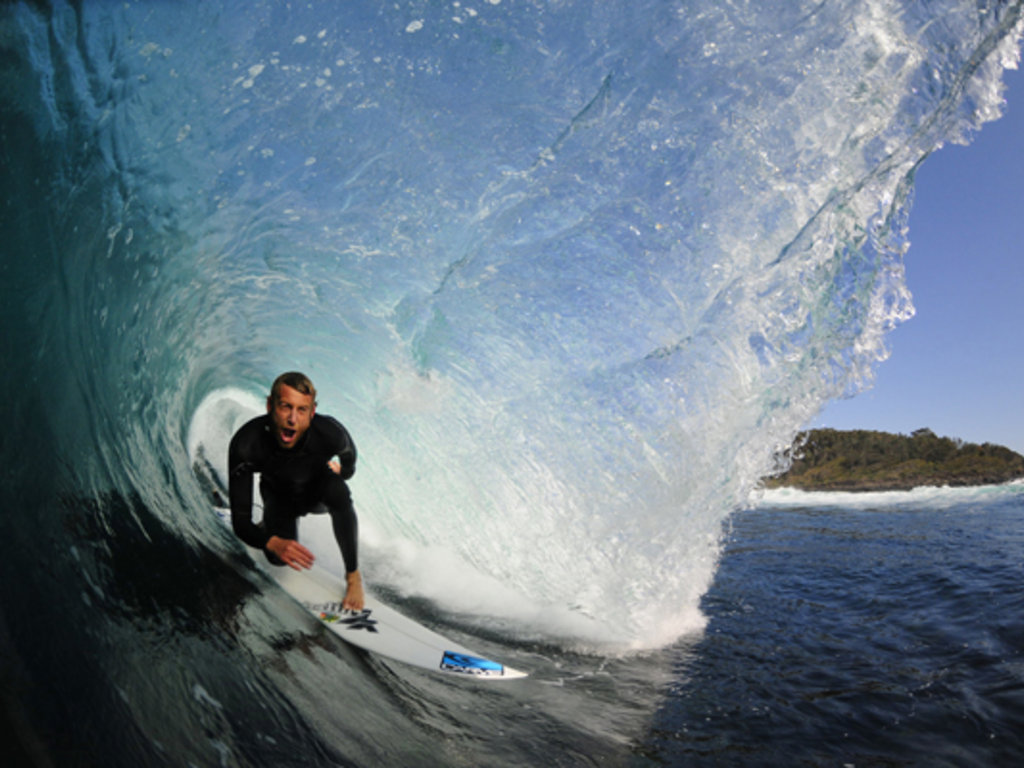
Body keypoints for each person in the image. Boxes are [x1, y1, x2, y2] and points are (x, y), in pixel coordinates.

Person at [227, 371, 364, 611]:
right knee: (277, 559)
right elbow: (240, 522)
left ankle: (353, 576)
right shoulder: (248, 444)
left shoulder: (330, 433)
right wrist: (271, 542)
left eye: (302, 410)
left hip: (317, 494)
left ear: (312, 412)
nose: (292, 418)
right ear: (270, 405)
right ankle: (267, 527)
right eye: (285, 407)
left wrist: (343, 472)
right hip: (278, 499)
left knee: (338, 492)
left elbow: (350, 460)